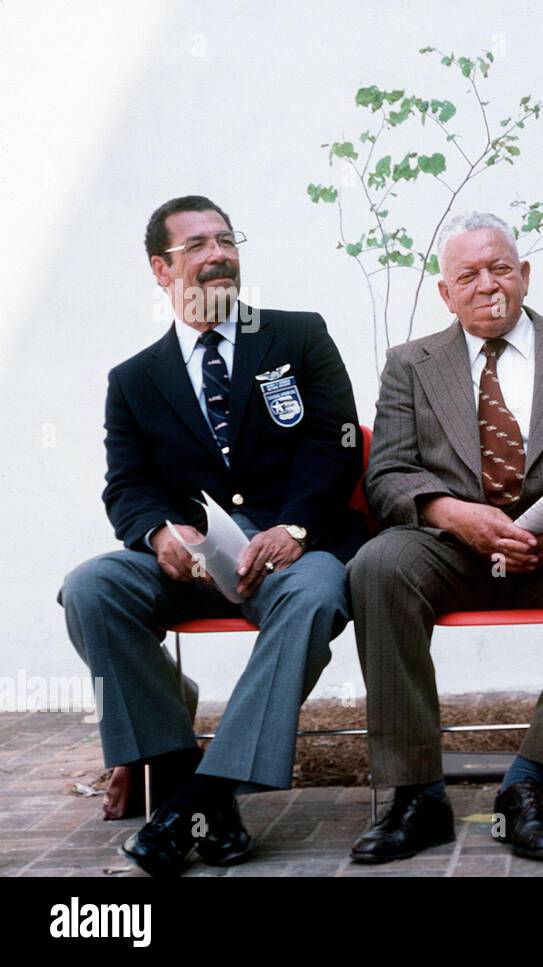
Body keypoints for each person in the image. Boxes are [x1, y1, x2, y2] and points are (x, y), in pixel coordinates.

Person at [59, 195, 367, 876]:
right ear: (160, 269)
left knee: (316, 597)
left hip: (296, 548)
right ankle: (173, 768)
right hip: (193, 564)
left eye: (226, 239)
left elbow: (335, 443)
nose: (218, 254)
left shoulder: (297, 335)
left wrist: (294, 525)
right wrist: (158, 532)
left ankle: (208, 790)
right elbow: (127, 486)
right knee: (90, 587)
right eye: (197, 244)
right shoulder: (134, 380)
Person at [347, 211, 543, 864]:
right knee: (377, 566)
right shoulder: (409, 364)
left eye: (500, 268)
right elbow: (388, 474)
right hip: (450, 547)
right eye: (468, 273)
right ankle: (416, 795)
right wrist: (452, 514)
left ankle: (531, 781)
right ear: (445, 291)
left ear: (525, 273)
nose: (488, 283)